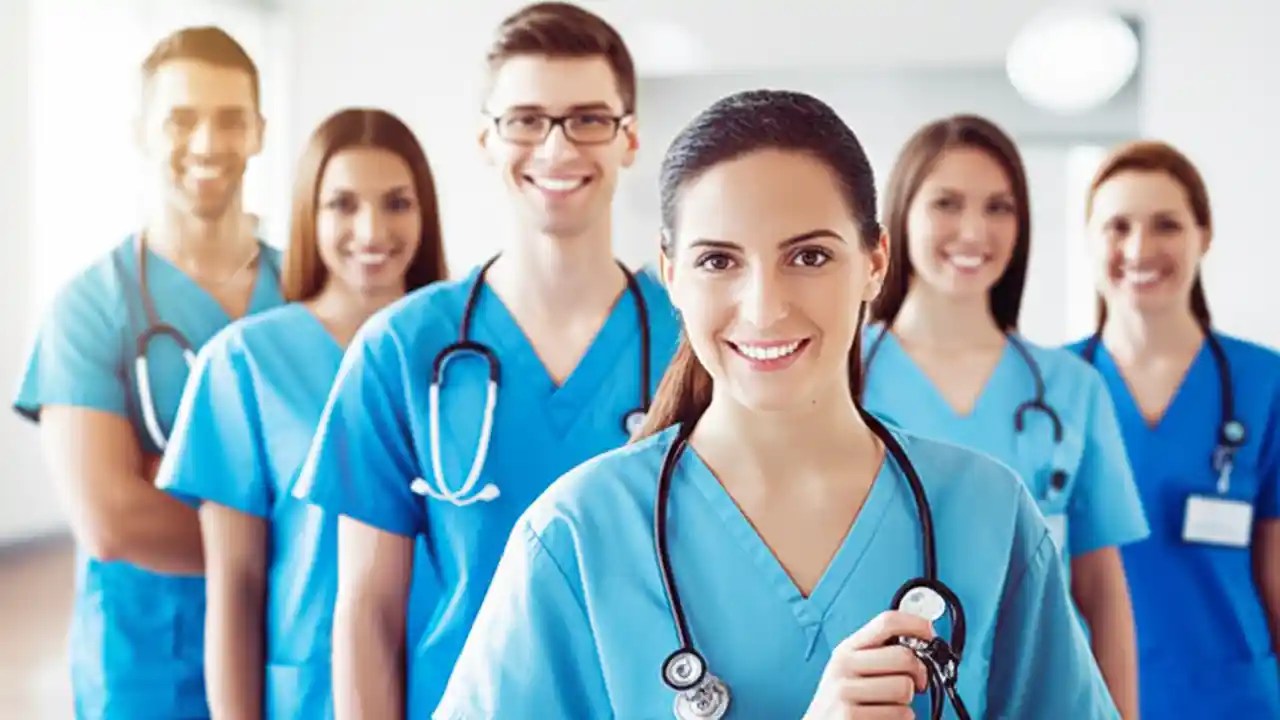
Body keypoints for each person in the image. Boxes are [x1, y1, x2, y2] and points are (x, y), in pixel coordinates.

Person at [433, 89, 1120, 720]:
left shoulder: (986, 515)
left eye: (810, 257)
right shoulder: (578, 535)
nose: (764, 308)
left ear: (874, 262)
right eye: (718, 261)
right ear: (670, 274)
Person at [289, 4, 680, 717]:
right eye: (526, 120)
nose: (557, 150)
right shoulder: (400, 351)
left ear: (629, 138)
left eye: (588, 118)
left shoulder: (694, 342)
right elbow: (367, 615)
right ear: (485, 139)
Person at [12, 26, 281, 719]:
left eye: (230, 119)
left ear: (259, 131)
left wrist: (168, 477)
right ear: (140, 133)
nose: (206, 142)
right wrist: (293, 546)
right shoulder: (91, 306)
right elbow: (111, 518)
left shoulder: (307, 288)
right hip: (146, 670)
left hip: (288, 657)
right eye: (180, 119)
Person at [153, 108, 448, 719]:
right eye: (342, 204)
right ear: (308, 215)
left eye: (397, 203)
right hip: (309, 692)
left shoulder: (465, 357)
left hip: (451, 680)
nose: (371, 230)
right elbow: (235, 585)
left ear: (426, 214)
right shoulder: (243, 363)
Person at [858, 114, 1147, 716]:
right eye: (947, 203)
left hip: (1047, 689)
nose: (974, 231)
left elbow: (1102, 590)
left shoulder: (1071, 386)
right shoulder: (841, 373)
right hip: (891, 691)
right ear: (899, 216)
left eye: (998, 208)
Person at [1066, 140, 1280, 718]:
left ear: (1203, 236)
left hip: (1234, 700)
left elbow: (1277, 574)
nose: (1140, 248)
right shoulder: (1047, 387)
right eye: (1118, 226)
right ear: (1091, 238)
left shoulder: (1265, 385)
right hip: (1087, 699)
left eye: (1167, 225)